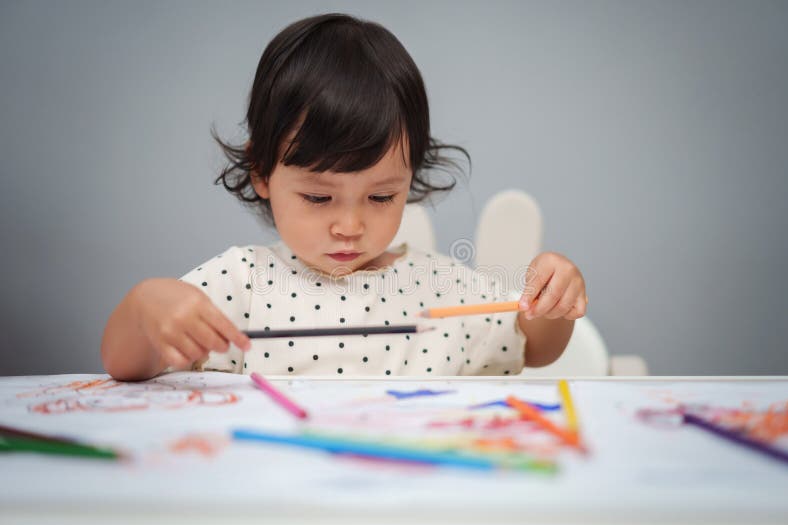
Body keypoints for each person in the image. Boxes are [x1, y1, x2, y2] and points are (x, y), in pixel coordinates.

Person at [101, 13, 587, 382]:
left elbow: (534, 349)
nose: (350, 226)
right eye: (318, 197)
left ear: (409, 176)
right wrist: (144, 309)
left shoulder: (442, 288)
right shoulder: (240, 284)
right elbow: (125, 366)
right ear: (262, 172)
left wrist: (550, 303)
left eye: (380, 197)